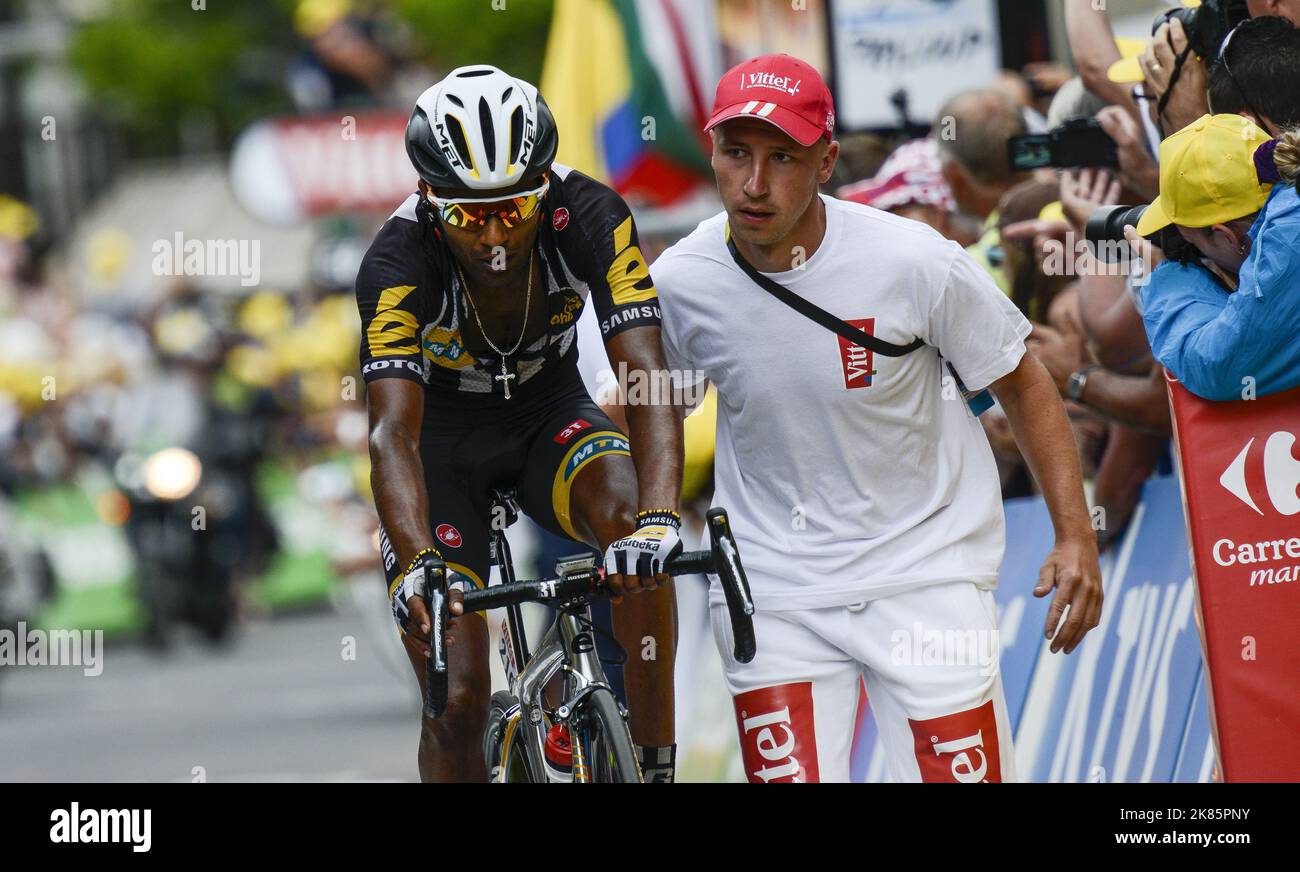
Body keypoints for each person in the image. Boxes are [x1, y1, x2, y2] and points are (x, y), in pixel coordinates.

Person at [652, 54, 1104, 783]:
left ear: (827, 160)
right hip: (775, 594)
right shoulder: (680, 281)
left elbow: (1023, 382)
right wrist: (646, 516)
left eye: (783, 158)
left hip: (924, 574)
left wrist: (1075, 535)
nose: (755, 184)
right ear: (713, 153)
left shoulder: (912, 260)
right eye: (736, 154)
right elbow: (652, 405)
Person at [357, 65, 684, 782]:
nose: (496, 232)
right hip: (441, 447)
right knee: (459, 699)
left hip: (550, 415)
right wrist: (418, 564)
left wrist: (661, 519)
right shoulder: (396, 260)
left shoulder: (591, 213)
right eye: (470, 216)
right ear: (428, 198)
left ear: (545, 189)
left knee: (635, 534)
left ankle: (655, 764)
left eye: (516, 208)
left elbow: (647, 377)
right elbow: (391, 434)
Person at [1132, 115, 1300, 400]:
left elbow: (1216, 365)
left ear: (1228, 237)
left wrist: (1171, 276)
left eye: (1194, 243)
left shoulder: (1287, 246)